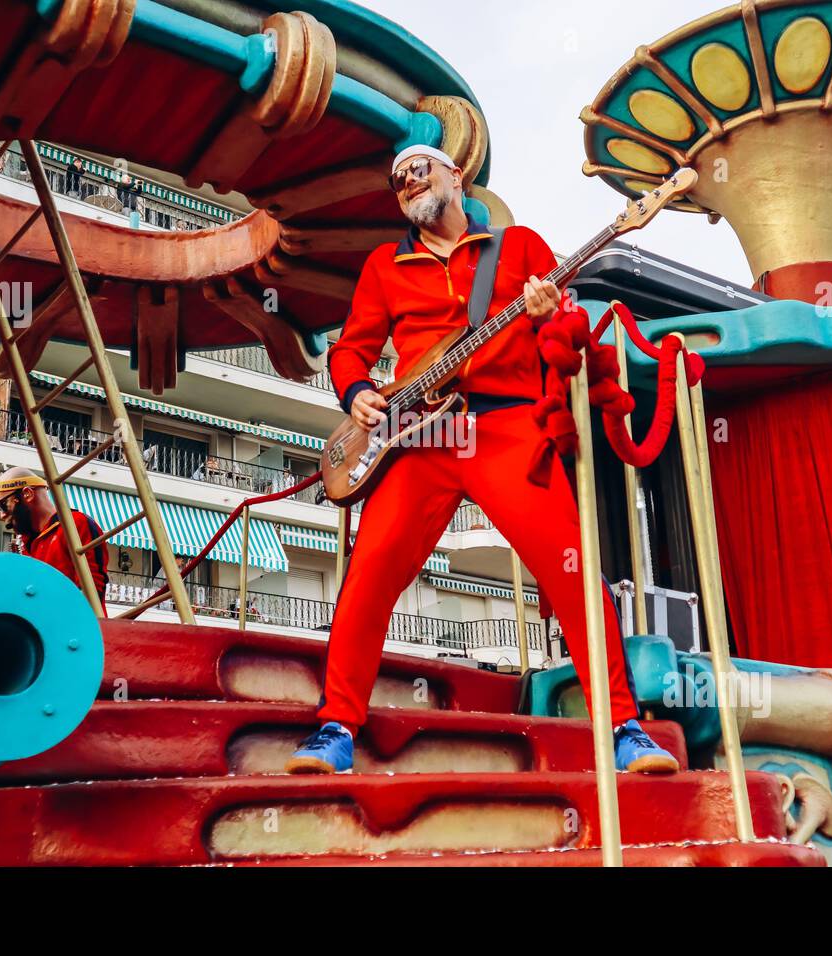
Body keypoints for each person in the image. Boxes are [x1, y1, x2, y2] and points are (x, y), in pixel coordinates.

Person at [284, 146, 678, 775]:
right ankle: (336, 727)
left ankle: (624, 727)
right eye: (398, 179)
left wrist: (556, 314)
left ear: (455, 176)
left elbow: (568, 330)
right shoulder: (385, 266)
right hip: (420, 436)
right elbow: (351, 350)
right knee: (370, 572)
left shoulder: (518, 246)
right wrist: (358, 394)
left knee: (572, 568)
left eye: (421, 169)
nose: (409, 181)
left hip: (507, 426)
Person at [0, 467, 108, 612]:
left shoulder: (75, 524)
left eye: (3, 505)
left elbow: (92, 589)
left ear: (27, 494)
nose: (2, 515)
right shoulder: (27, 542)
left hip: (75, 627)